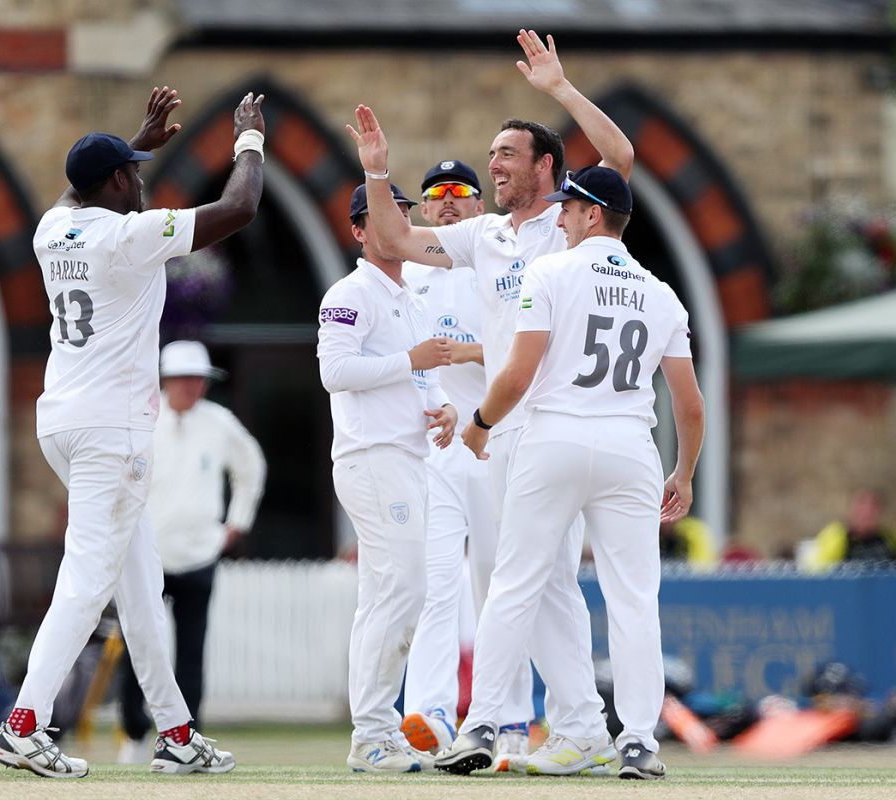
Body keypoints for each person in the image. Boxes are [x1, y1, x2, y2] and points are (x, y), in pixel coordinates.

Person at [348, 28, 635, 774]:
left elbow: (622, 161)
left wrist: (559, 92)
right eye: (493, 154)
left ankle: (504, 725)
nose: (494, 165)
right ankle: (572, 727)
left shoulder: (567, 226)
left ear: (547, 168)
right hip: (500, 433)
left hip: (546, 421)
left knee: (523, 580)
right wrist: (377, 173)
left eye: (507, 154)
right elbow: (393, 237)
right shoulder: (487, 237)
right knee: (534, 583)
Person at [0, 86, 265, 779]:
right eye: (133, 172)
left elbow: (77, 190)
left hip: (65, 421)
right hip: (113, 428)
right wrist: (250, 140)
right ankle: (23, 724)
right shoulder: (131, 236)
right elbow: (240, 208)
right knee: (86, 580)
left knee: (138, 586)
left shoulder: (52, 230)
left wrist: (136, 141)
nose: (141, 181)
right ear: (115, 183)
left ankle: (173, 732)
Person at [435, 164, 705, 781]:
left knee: (514, 582)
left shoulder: (550, 271)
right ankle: (638, 740)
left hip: (553, 436)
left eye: (567, 209)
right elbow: (687, 404)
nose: (557, 217)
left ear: (590, 214)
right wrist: (684, 473)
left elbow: (517, 372)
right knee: (634, 598)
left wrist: (478, 422)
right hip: (630, 447)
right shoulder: (661, 291)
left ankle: (479, 725)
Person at [317, 181, 459, 772]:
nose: (396, 223)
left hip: (406, 456)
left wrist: (445, 405)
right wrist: (413, 361)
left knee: (387, 595)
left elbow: (422, 377)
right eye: (382, 215)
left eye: (402, 214)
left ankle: (374, 732)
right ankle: (372, 732)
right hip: (371, 457)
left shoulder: (410, 298)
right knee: (404, 589)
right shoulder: (349, 293)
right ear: (358, 230)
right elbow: (335, 371)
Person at [117, 340, 266, 762]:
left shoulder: (219, 422)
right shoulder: (141, 418)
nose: (191, 387)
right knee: (140, 646)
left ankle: (186, 737)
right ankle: (133, 732)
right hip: (148, 556)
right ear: (166, 380)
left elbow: (251, 467)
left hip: (200, 554)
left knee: (192, 652)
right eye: (183, 378)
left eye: (197, 379)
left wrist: (236, 523)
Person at [399, 159, 492, 756]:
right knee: (433, 584)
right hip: (432, 447)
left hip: (493, 439)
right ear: (424, 211)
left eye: (461, 193)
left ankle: (503, 716)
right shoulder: (408, 272)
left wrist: (462, 354)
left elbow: (529, 350)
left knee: (495, 586)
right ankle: (427, 713)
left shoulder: (499, 261)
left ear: (479, 207)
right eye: (436, 195)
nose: (449, 202)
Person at [809, 490, 896, 570]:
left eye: (873, 506)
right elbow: (820, 571)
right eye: (862, 504)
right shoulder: (836, 539)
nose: (867, 511)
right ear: (851, 509)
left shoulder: (889, 543)